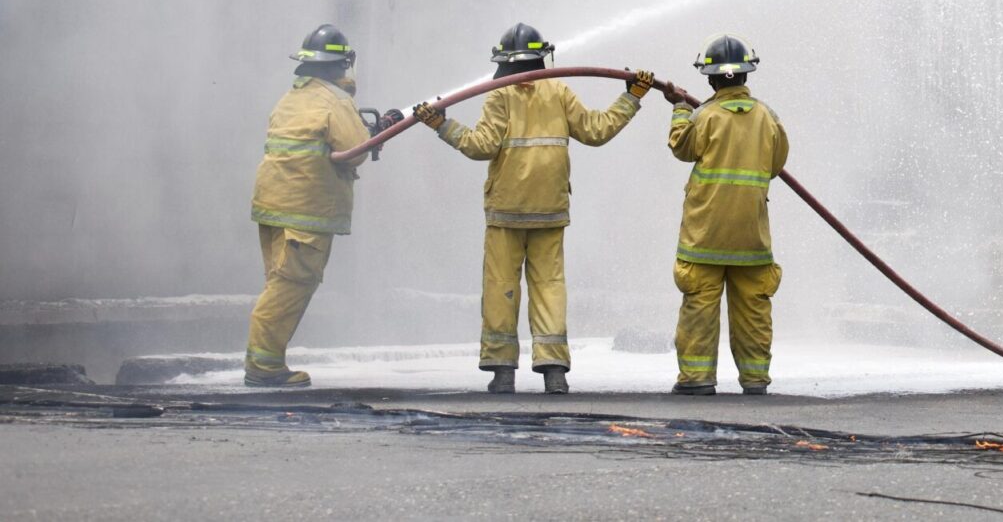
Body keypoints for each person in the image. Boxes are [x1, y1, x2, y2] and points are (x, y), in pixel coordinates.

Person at [413, 23, 653, 395]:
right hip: (549, 209)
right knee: (550, 288)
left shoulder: (500, 95)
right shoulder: (558, 90)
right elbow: (596, 131)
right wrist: (631, 97)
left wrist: (442, 124)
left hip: (506, 211)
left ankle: (502, 371)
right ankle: (554, 371)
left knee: (500, 287)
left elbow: (480, 146)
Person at [246, 24, 378, 387]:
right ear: (343, 63)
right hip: (306, 211)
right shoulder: (334, 102)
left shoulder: (291, 97)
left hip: (273, 206)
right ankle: (264, 367)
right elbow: (355, 152)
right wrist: (371, 130)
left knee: (279, 282)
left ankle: (265, 362)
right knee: (291, 286)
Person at [668, 35, 789, 396]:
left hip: (705, 237)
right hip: (751, 238)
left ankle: (697, 380)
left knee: (700, 309)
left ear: (711, 79)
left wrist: (678, 109)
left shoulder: (703, 116)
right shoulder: (769, 118)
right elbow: (777, 163)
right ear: (746, 75)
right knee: (753, 311)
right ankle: (754, 380)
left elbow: (681, 148)